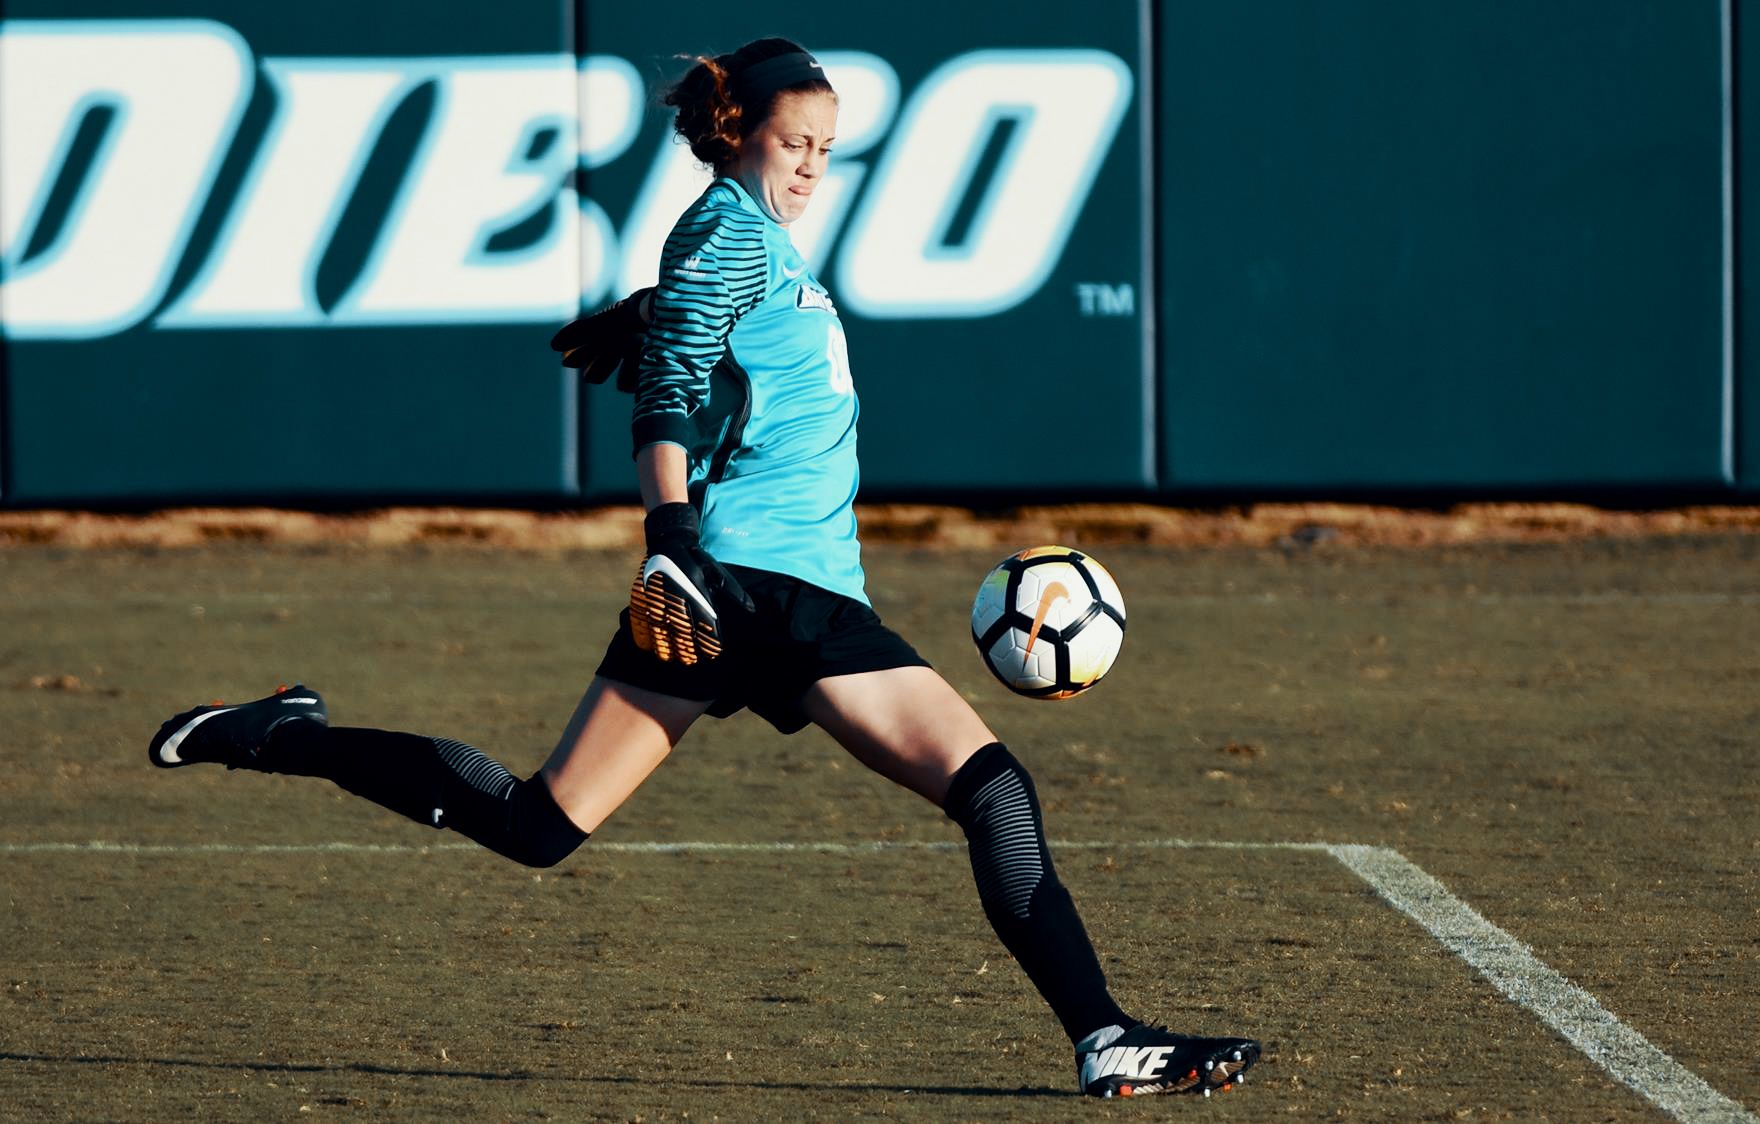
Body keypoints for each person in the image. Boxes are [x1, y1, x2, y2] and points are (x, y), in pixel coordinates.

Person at [147, 36, 1257, 1099]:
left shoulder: (750, 241)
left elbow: (704, 333)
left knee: (539, 824)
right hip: (766, 587)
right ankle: (1102, 1037)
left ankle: (280, 730)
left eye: (827, 145)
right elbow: (668, 390)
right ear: (738, 134)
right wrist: (668, 532)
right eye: (794, 143)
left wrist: (651, 314)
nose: (814, 165)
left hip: (748, 590)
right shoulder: (727, 232)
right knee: (992, 789)